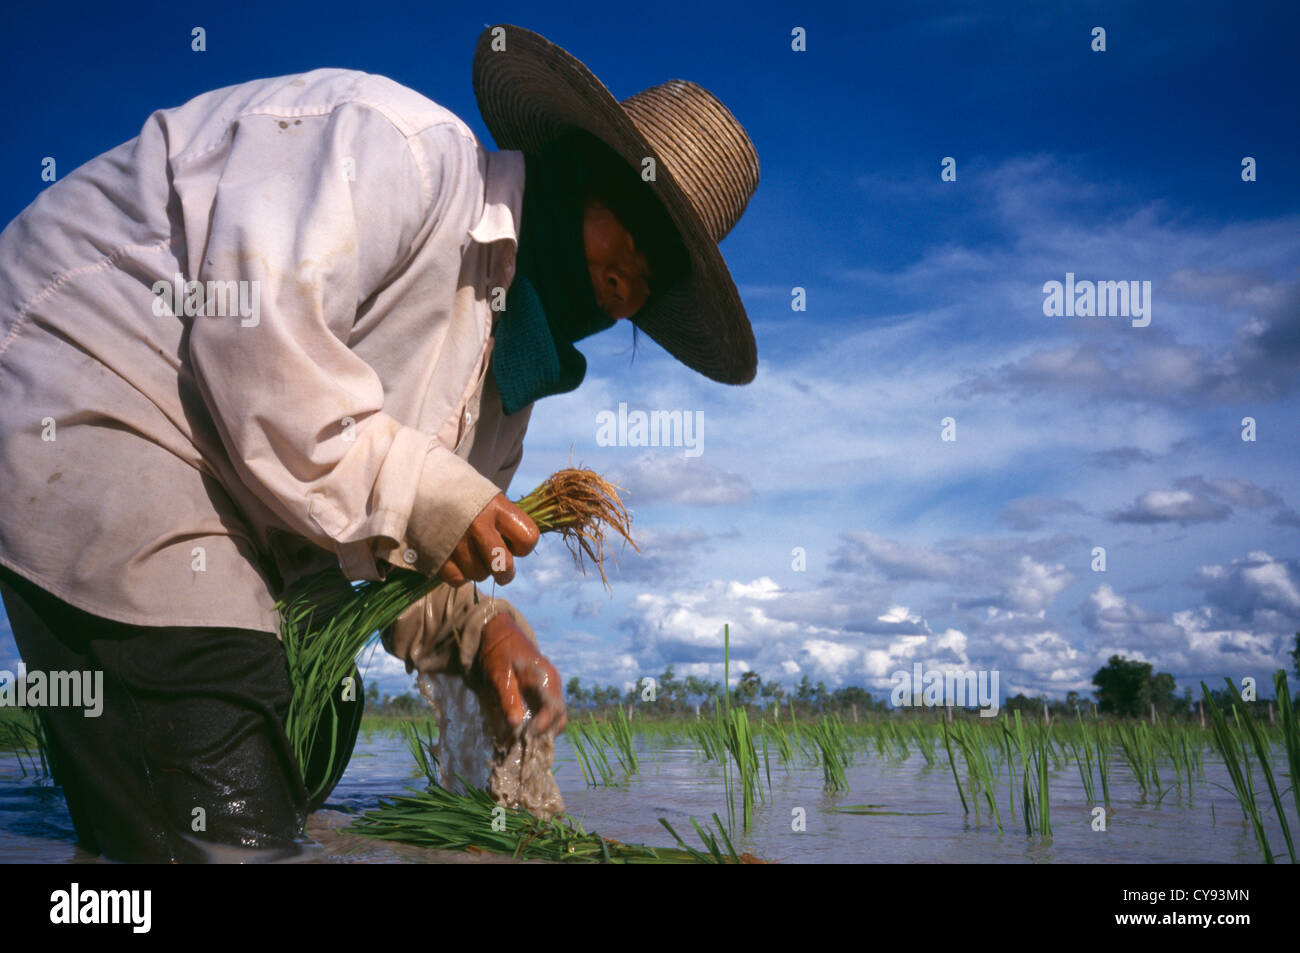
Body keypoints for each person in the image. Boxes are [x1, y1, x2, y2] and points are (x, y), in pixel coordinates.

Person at [0, 23, 759, 862]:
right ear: (583, 168)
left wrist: (481, 633)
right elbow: (255, 340)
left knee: (309, 740)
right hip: (101, 378)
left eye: (654, 279)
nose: (626, 287)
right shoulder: (398, 151)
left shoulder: (502, 403)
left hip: (234, 505)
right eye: (632, 230)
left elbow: (396, 544)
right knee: (232, 828)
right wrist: (433, 496)